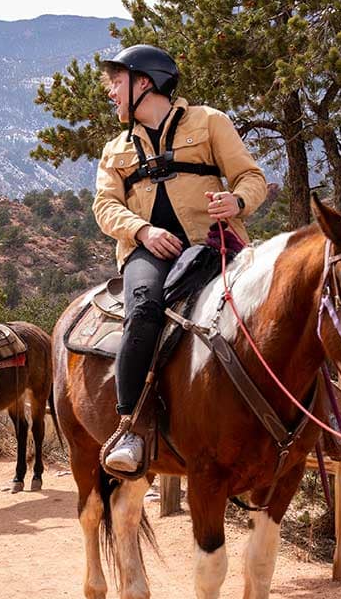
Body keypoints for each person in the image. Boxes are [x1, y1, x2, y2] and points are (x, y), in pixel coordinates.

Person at [93, 44, 267, 473]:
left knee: (273, 305)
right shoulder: (114, 150)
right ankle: (131, 426)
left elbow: (251, 177)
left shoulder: (210, 122)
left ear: (144, 82)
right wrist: (142, 231)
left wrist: (238, 200)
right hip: (147, 253)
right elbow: (105, 206)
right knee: (145, 309)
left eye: (117, 84)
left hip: (214, 245)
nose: (111, 94)